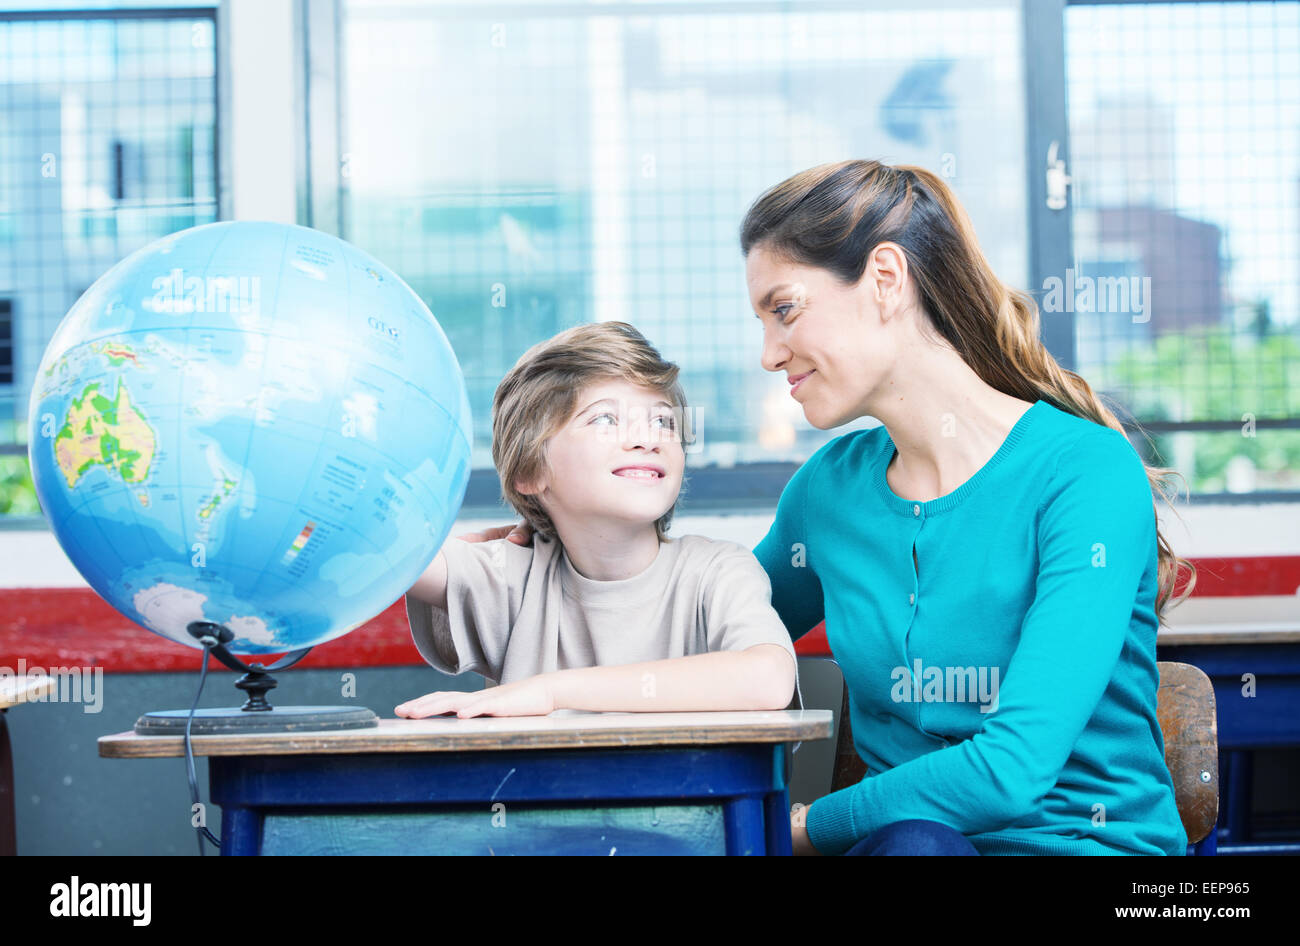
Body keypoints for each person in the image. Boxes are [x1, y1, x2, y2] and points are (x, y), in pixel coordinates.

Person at [470, 159, 1195, 857]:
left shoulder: (1085, 473)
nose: (768, 353)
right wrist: (559, 550)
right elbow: (693, 655)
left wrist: (794, 829)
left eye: (783, 310)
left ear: (884, 280)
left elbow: (1012, 770)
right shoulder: (829, 493)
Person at [395, 320, 798, 720]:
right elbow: (385, 553)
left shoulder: (718, 570)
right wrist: (473, 543)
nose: (647, 438)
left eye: (663, 421)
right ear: (530, 472)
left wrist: (552, 692)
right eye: (605, 419)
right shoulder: (515, 576)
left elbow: (769, 679)